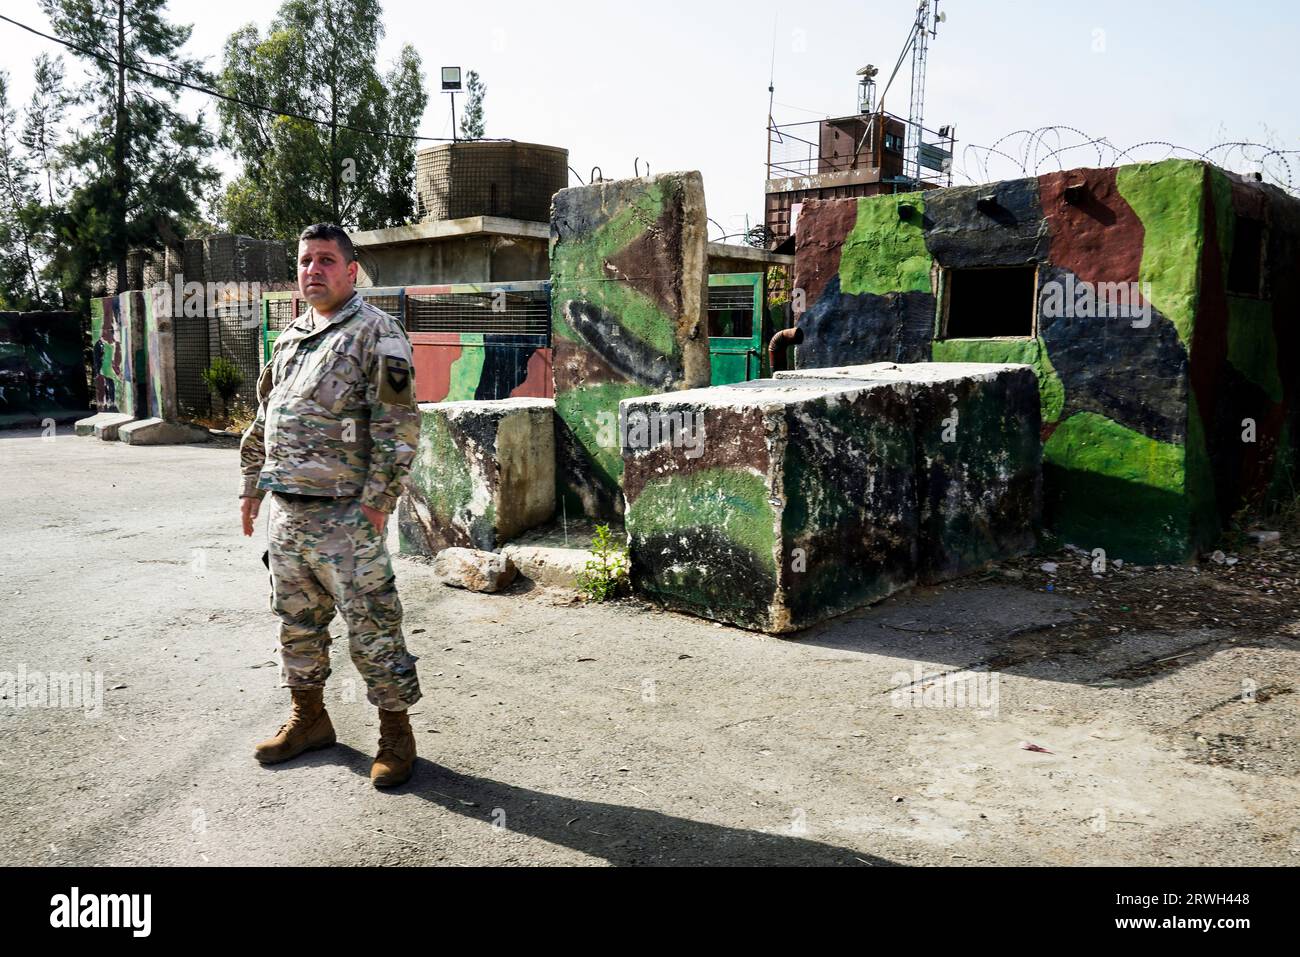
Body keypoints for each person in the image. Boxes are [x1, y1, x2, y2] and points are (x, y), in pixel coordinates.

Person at [239, 223, 421, 788]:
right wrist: (251, 484)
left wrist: (377, 504)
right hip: (288, 515)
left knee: (372, 625)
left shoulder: (378, 333)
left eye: (324, 260)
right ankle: (309, 718)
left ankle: (395, 733)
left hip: (347, 517)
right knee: (296, 625)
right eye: (304, 261)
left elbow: (399, 426)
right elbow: (264, 416)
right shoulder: (290, 337)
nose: (312, 270)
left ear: (351, 271)